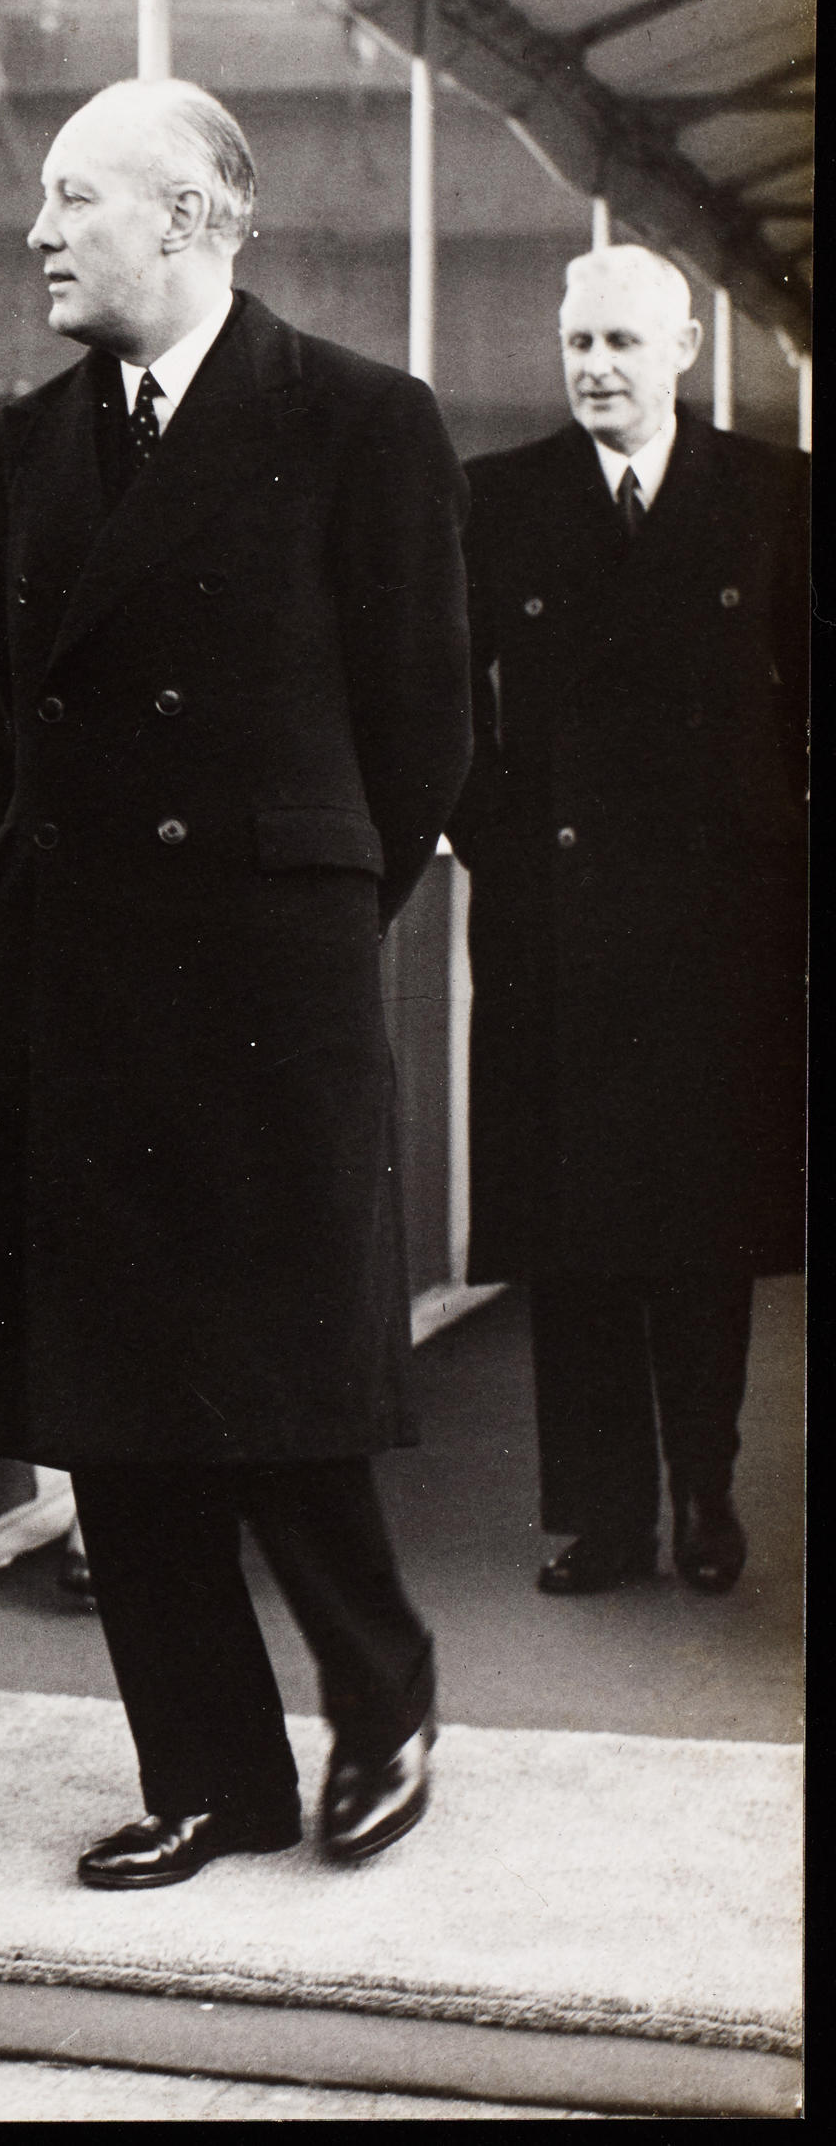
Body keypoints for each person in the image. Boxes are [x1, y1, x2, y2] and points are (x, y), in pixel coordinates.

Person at [0, 80, 472, 1888]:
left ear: (188, 216)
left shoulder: (362, 421)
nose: (38, 232)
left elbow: (425, 728)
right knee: (113, 1397)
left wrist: (303, 913)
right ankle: (212, 1773)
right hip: (78, 976)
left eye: (74, 197)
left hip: (261, 982)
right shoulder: (30, 445)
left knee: (281, 1377)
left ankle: (382, 1700)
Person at [446, 244, 808, 1600]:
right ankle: (600, 1517)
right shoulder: (500, 499)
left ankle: (706, 1492)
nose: (595, 368)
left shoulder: (775, 496)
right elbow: (444, 700)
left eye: (621, 344)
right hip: (557, 930)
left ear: (683, 351)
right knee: (576, 1236)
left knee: (704, 1235)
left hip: (724, 933)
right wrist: (499, 841)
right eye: (578, 344)